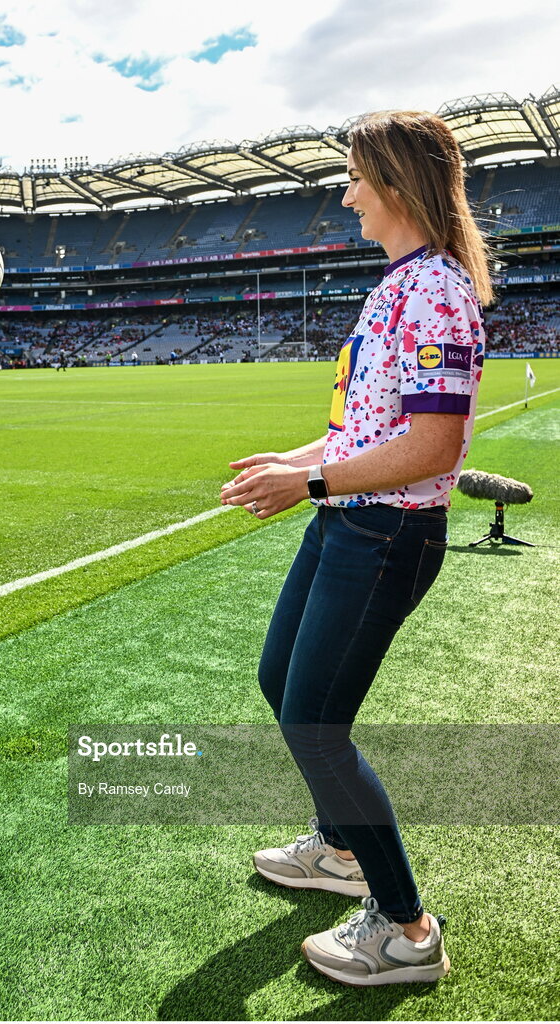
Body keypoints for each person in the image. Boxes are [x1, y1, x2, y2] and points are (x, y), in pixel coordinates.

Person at [220, 110, 491, 987]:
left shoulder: (436, 291)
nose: (346, 198)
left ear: (396, 185)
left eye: (355, 179)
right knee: (280, 681)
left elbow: (432, 448)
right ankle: (338, 851)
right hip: (348, 521)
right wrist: (293, 461)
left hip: (386, 533)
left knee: (315, 726)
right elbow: (364, 429)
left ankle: (408, 931)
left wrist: (306, 482)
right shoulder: (398, 285)